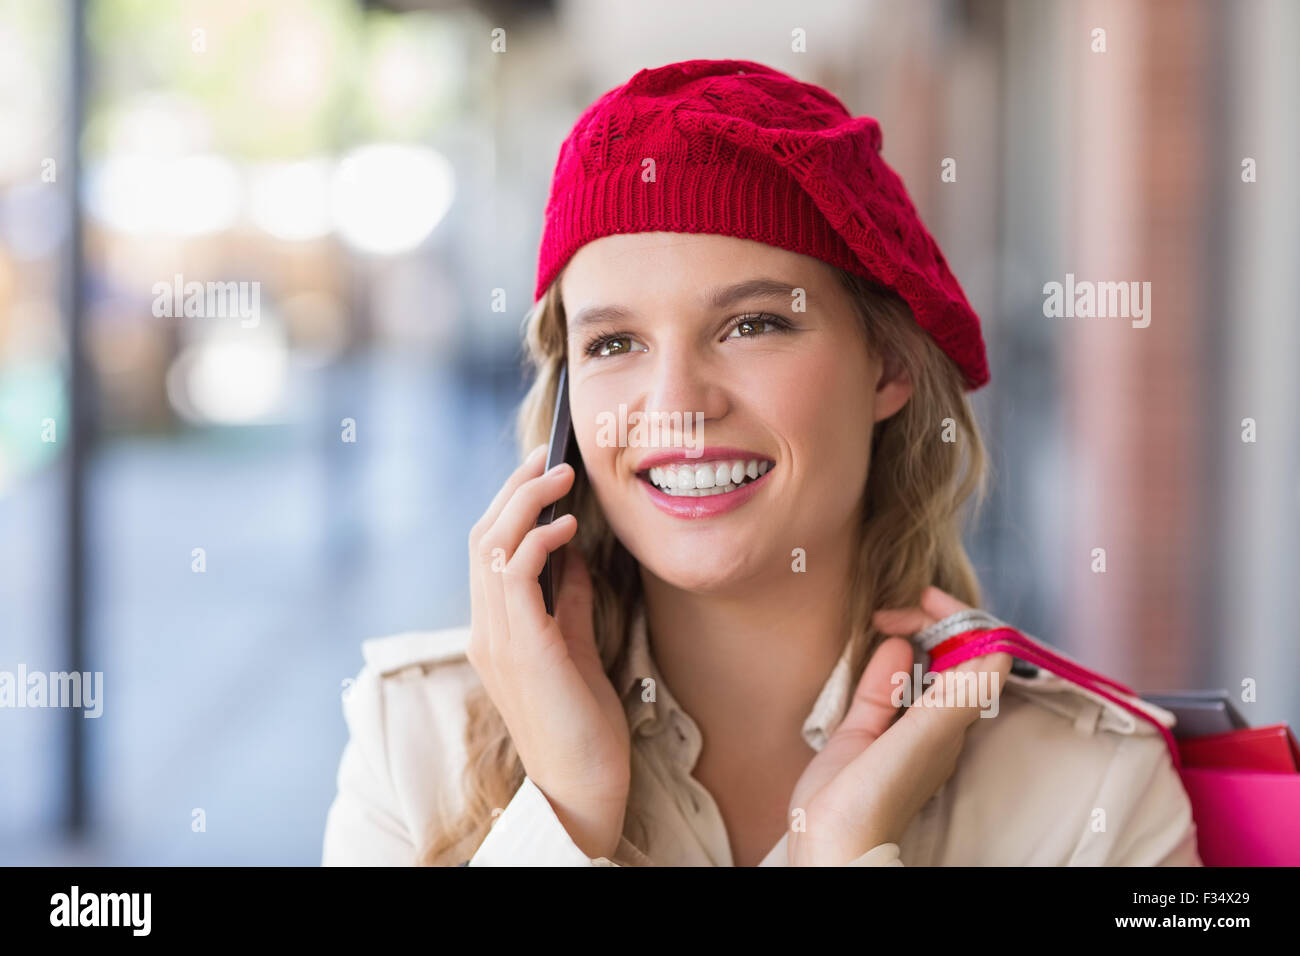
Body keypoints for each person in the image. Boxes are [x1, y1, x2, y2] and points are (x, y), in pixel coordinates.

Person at [321, 58, 1200, 866]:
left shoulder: (1099, 788)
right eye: (615, 341)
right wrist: (567, 811)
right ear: (564, 409)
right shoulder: (413, 741)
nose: (675, 405)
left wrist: (844, 853)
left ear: (888, 366)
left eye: (754, 325)